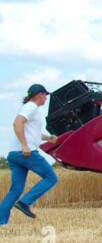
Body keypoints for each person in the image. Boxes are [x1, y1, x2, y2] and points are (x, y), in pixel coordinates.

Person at [1, 85, 59, 226]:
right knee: (51, 177)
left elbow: (33, 133)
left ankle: (1, 223)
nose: (46, 98)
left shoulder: (30, 109)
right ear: (39, 95)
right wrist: (24, 145)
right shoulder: (31, 107)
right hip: (26, 153)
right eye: (45, 95)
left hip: (14, 154)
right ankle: (25, 202)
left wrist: (49, 138)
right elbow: (17, 123)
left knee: (16, 189)